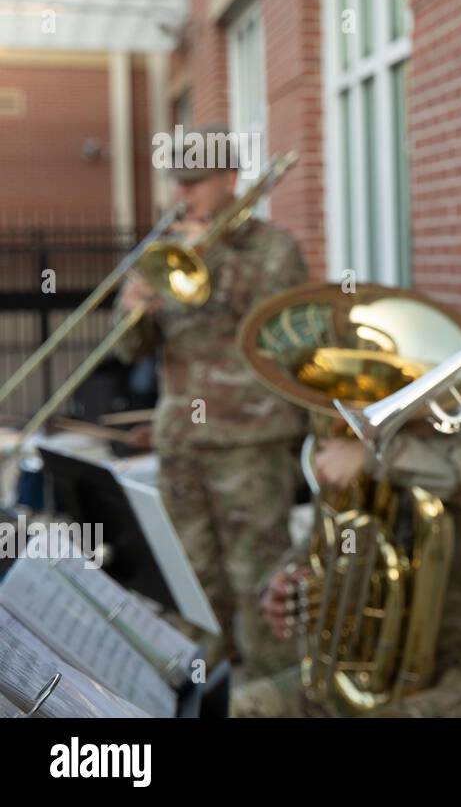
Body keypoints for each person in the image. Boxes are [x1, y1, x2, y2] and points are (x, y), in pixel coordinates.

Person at [115, 130, 307, 678]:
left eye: (195, 182)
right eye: (178, 182)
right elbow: (130, 350)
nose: (184, 194)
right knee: (192, 581)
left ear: (229, 180)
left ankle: (271, 697)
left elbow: (282, 331)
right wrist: (135, 305)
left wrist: (211, 252)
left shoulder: (272, 247)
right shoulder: (165, 249)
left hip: (250, 440)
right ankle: (206, 690)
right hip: (181, 439)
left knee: (259, 579)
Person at [232, 421, 461, 717]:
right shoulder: (358, 453)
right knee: (248, 706)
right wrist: (287, 583)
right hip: (366, 669)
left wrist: (374, 458)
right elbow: (319, 546)